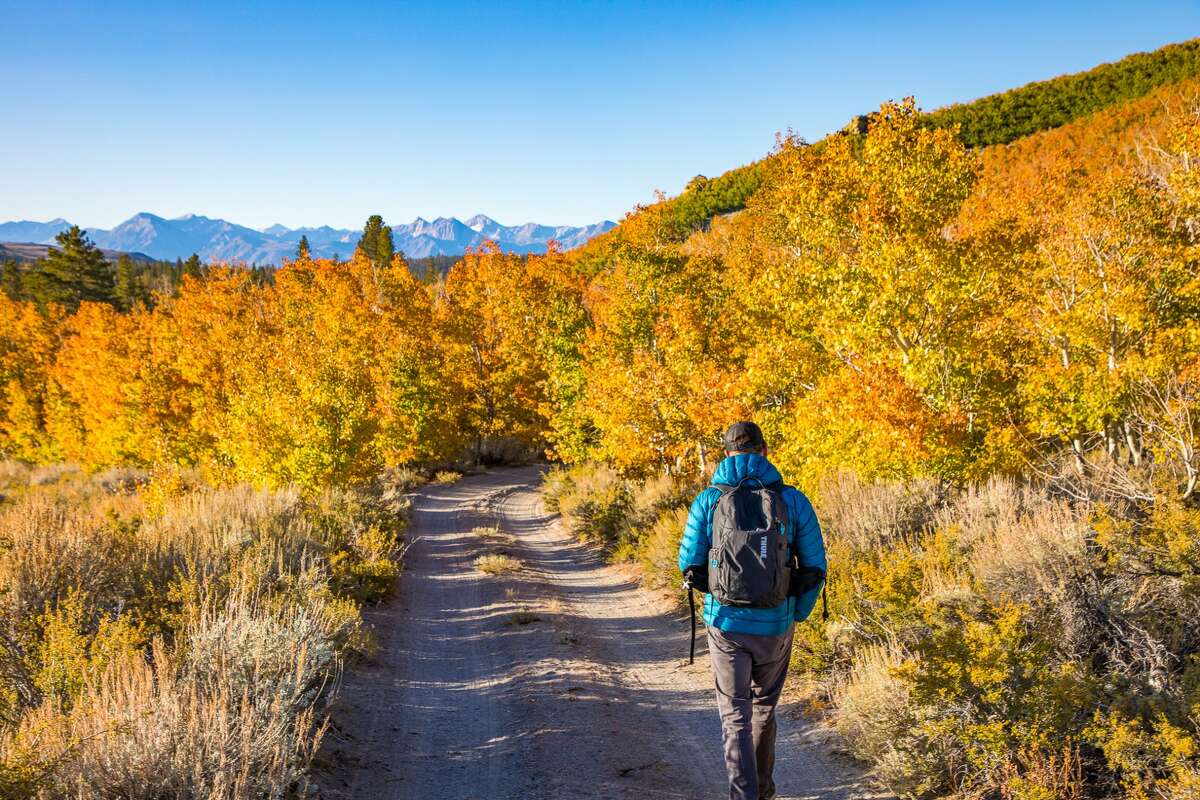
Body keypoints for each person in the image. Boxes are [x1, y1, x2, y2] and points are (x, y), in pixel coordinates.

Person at [678, 421, 827, 800]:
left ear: (727, 454)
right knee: (763, 710)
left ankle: (743, 796)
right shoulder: (793, 500)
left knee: (735, 715)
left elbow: (690, 565)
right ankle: (764, 792)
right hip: (775, 624)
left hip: (725, 624)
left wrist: (716, 601)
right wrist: (795, 613)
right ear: (764, 451)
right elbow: (814, 568)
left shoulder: (708, 500)